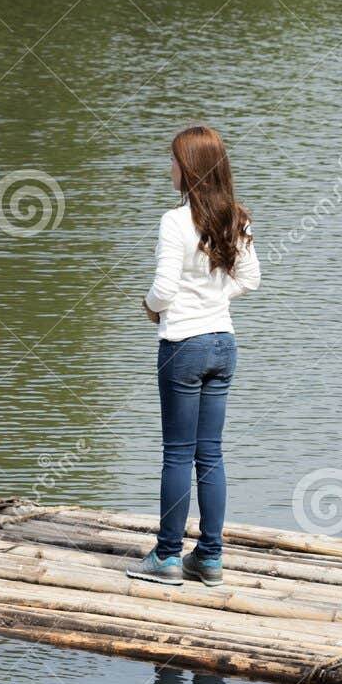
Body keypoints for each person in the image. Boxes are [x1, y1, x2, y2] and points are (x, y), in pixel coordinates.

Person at [130, 125, 260, 588]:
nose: (170, 169)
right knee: (211, 456)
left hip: (183, 346)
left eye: (174, 161)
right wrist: (213, 297)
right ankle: (209, 558)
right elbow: (250, 280)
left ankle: (167, 556)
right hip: (223, 344)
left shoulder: (174, 221)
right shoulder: (235, 217)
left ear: (189, 169)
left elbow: (163, 290)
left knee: (176, 455)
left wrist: (150, 307)